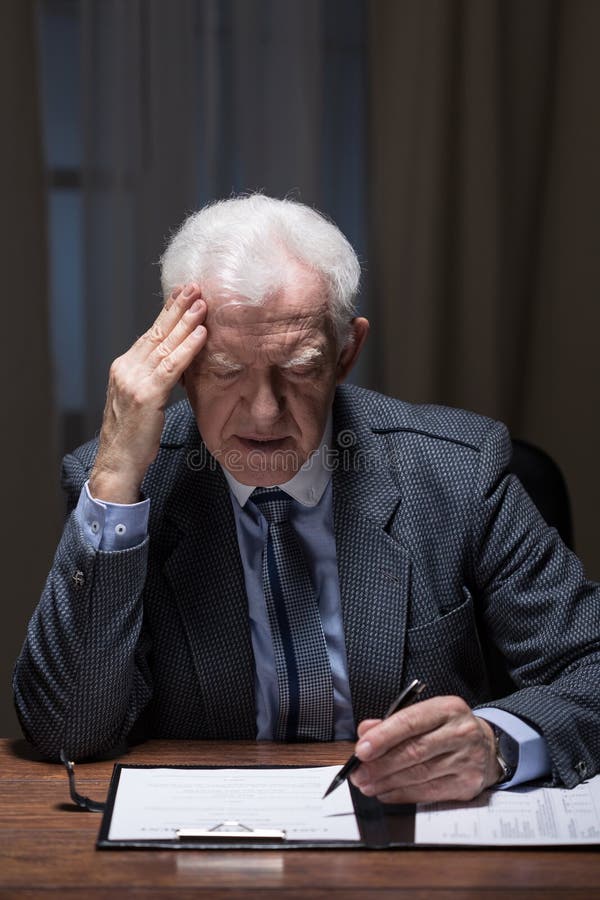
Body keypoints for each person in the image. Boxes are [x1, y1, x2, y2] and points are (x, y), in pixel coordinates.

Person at [14, 194, 600, 805]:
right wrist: (113, 480)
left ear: (346, 353)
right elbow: (67, 731)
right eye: (225, 370)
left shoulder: (458, 470)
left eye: (299, 368)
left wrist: (496, 741)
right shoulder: (124, 487)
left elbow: (592, 665)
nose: (264, 412)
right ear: (181, 366)